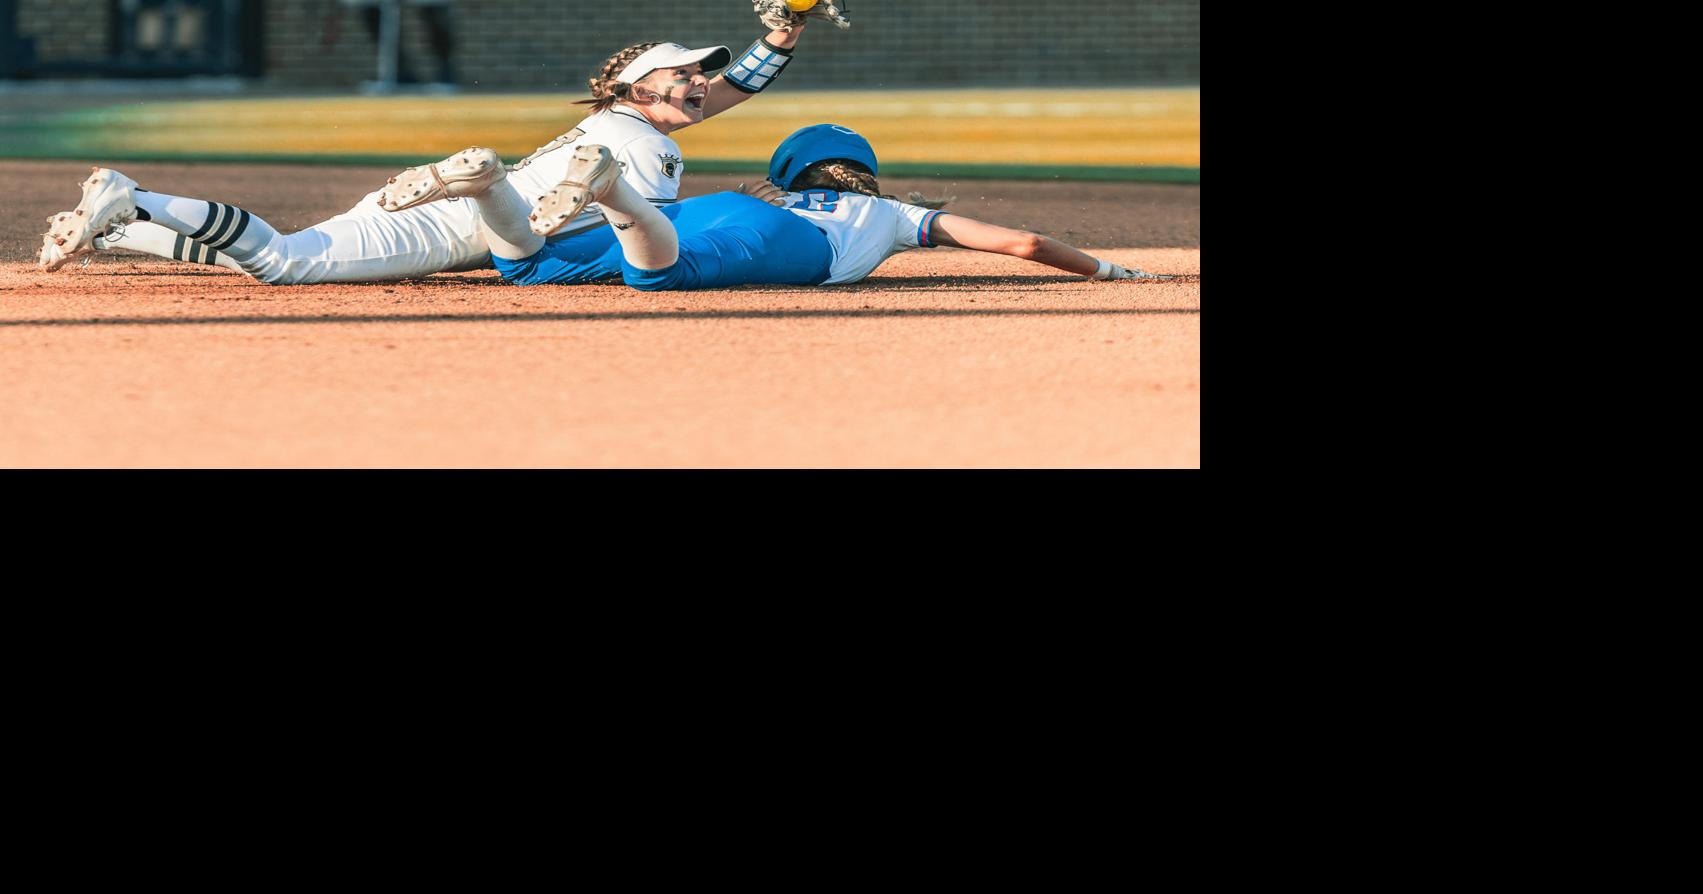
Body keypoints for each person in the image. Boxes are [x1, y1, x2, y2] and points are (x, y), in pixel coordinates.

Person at [37, 3, 839, 283]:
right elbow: (625, 236)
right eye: (684, 74)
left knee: (283, 254)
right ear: (637, 87)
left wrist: (783, 34)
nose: (700, 85)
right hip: (455, 221)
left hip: (454, 210)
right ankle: (137, 197)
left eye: (700, 76)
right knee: (287, 262)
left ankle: (124, 228)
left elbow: (733, 90)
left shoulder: (625, 123)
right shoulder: (640, 145)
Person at [368, 123, 1175, 290]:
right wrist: (1112, 270)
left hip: (711, 204)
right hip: (787, 244)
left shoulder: (772, 186)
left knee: (530, 267)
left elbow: (757, 198)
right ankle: (611, 188)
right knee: (658, 278)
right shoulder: (896, 214)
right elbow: (1024, 244)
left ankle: (488, 183)